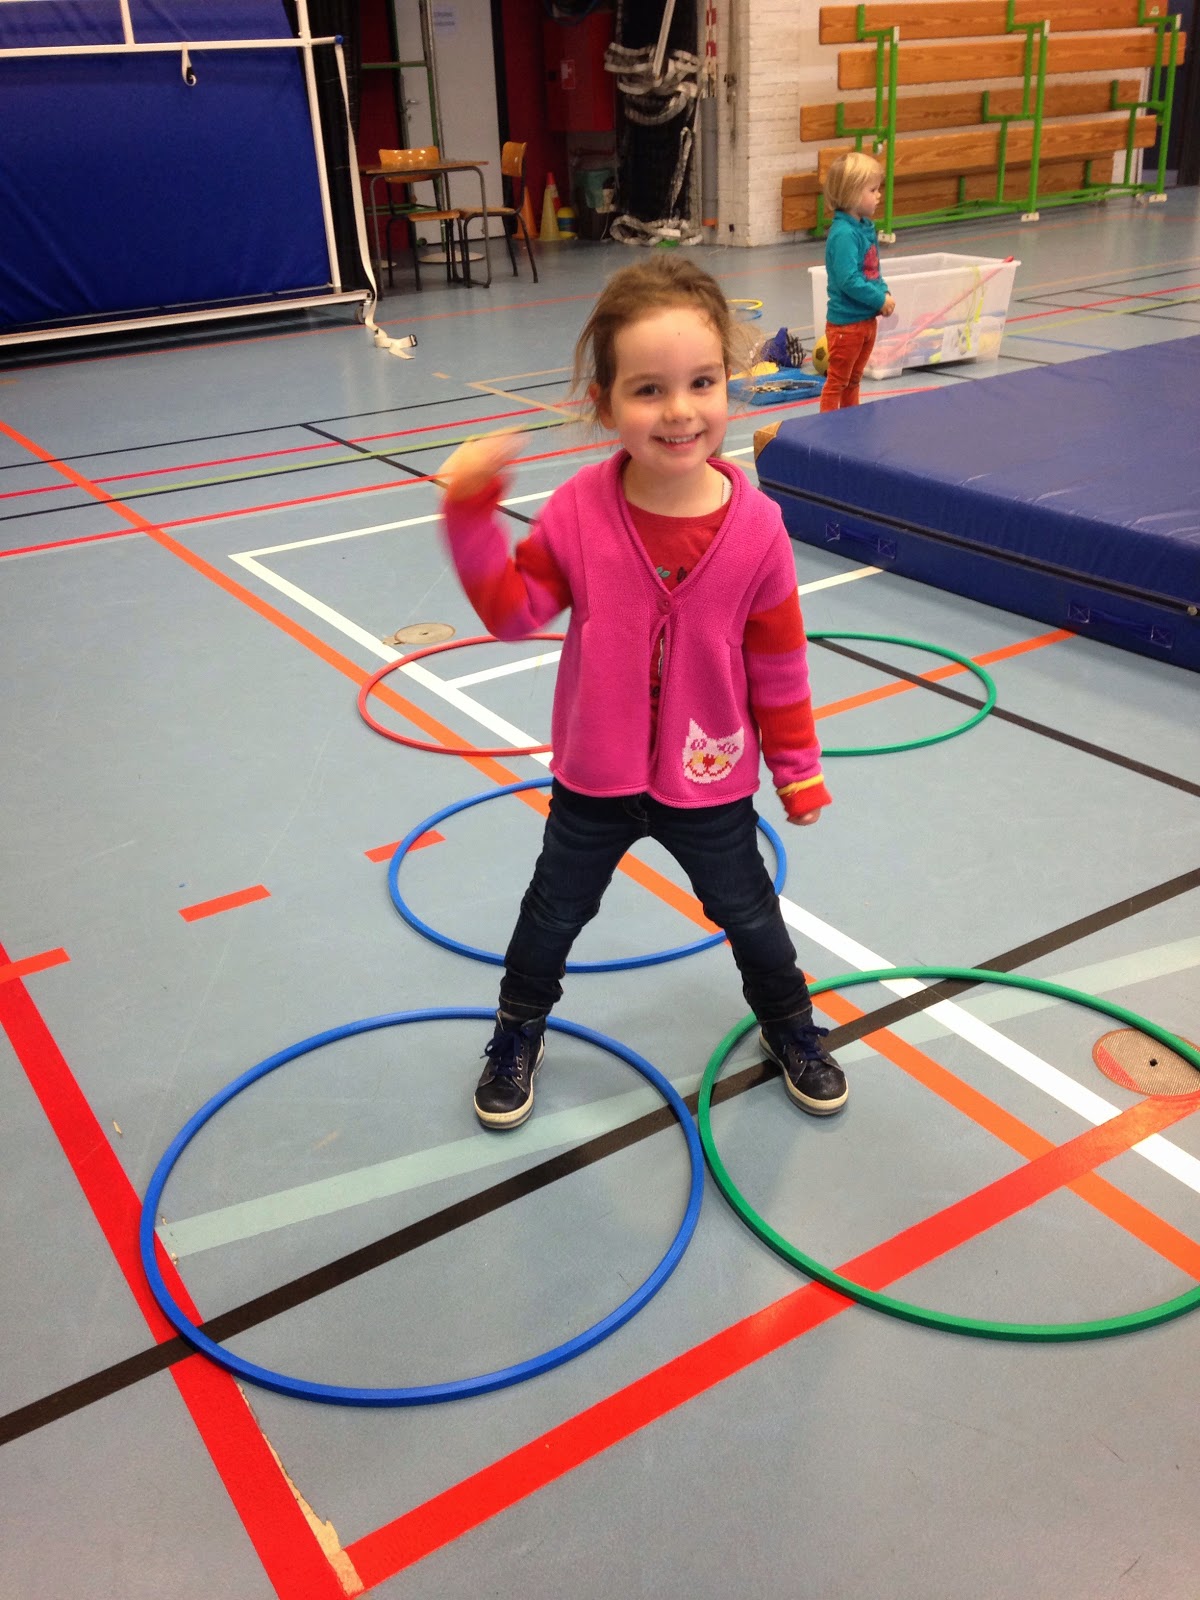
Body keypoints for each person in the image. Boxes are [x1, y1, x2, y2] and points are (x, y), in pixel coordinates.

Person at [439, 255, 847, 1131]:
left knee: (751, 915)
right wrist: (471, 515)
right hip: (595, 777)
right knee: (550, 915)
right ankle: (516, 1030)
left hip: (713, 780)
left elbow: (779, 663)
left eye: (702, 382)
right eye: (648, 389)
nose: (679, 411)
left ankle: (790, 1025)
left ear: (729, 386)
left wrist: (800, 770)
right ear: (605, 405)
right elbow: (514, 613)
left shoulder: (761, 529)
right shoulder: (579, 513)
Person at [820, 151, 896, 412]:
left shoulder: (865, 227)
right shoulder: (843, 234)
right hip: (847, 326)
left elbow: (873, 270)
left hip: (866, 321)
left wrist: (883, 292)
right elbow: (848, 280)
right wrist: (878, 299)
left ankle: (850, 422)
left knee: (853, 380)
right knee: (838, 382)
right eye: (872, 190)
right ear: (852, 194)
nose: (879, 195)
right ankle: (828, 429)